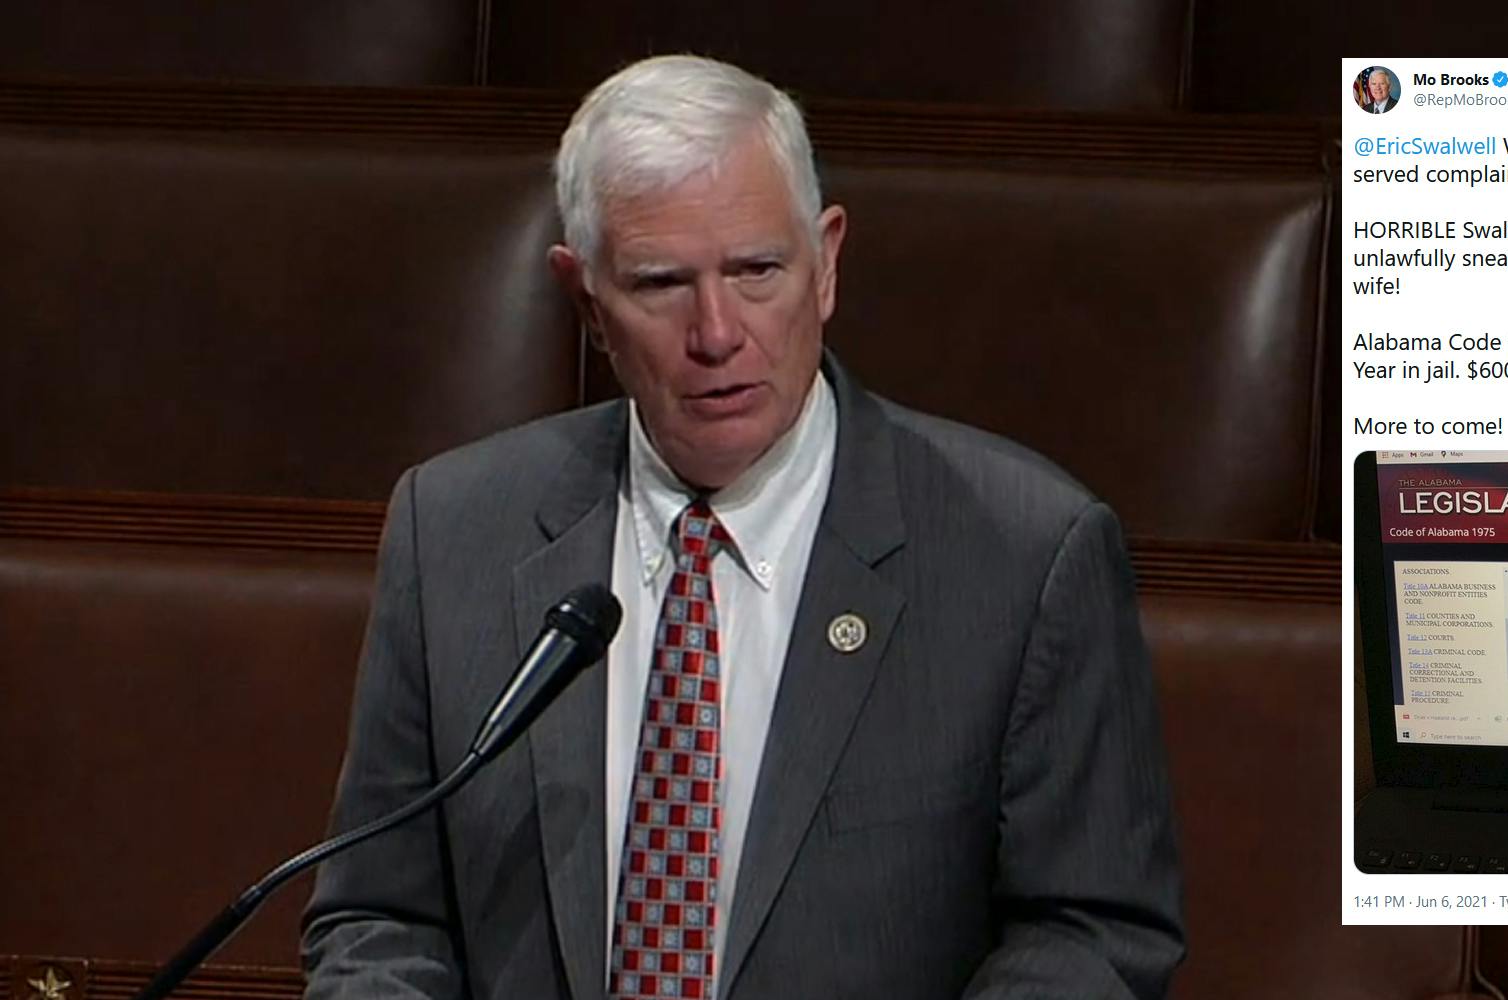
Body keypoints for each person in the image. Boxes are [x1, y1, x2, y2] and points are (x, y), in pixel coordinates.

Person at [301, 54, 1184, 1000]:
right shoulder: (456, 532)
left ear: (828, 261)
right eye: (660, 283)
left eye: (758, 269)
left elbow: (1093, 934)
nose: (717, 332)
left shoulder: (1023, 553)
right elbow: (379, 918)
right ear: (585, 301)